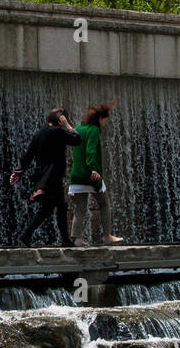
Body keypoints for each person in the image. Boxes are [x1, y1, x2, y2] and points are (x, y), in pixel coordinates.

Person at [10, 107, 79, 247]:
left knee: (60, 205)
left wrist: (18, 172)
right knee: (50, 208)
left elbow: (28, 156)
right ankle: (26, 235)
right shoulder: (58, 131)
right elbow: (77, 140)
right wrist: (67, 126)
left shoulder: (38, 134)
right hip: (53, 176)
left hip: (42, 177)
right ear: (60, 120)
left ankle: (64, 239)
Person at [68, 100, 126, 246]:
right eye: (105, 119)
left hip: (76, 175)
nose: (105, 122)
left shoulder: (79, 128)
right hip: (90, 175)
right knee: (104, 203)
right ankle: (107, 235)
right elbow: (91, 150)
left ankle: (77, 238)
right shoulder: (94, 130)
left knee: (80, 207)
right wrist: (93, 169)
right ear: (100, 118)